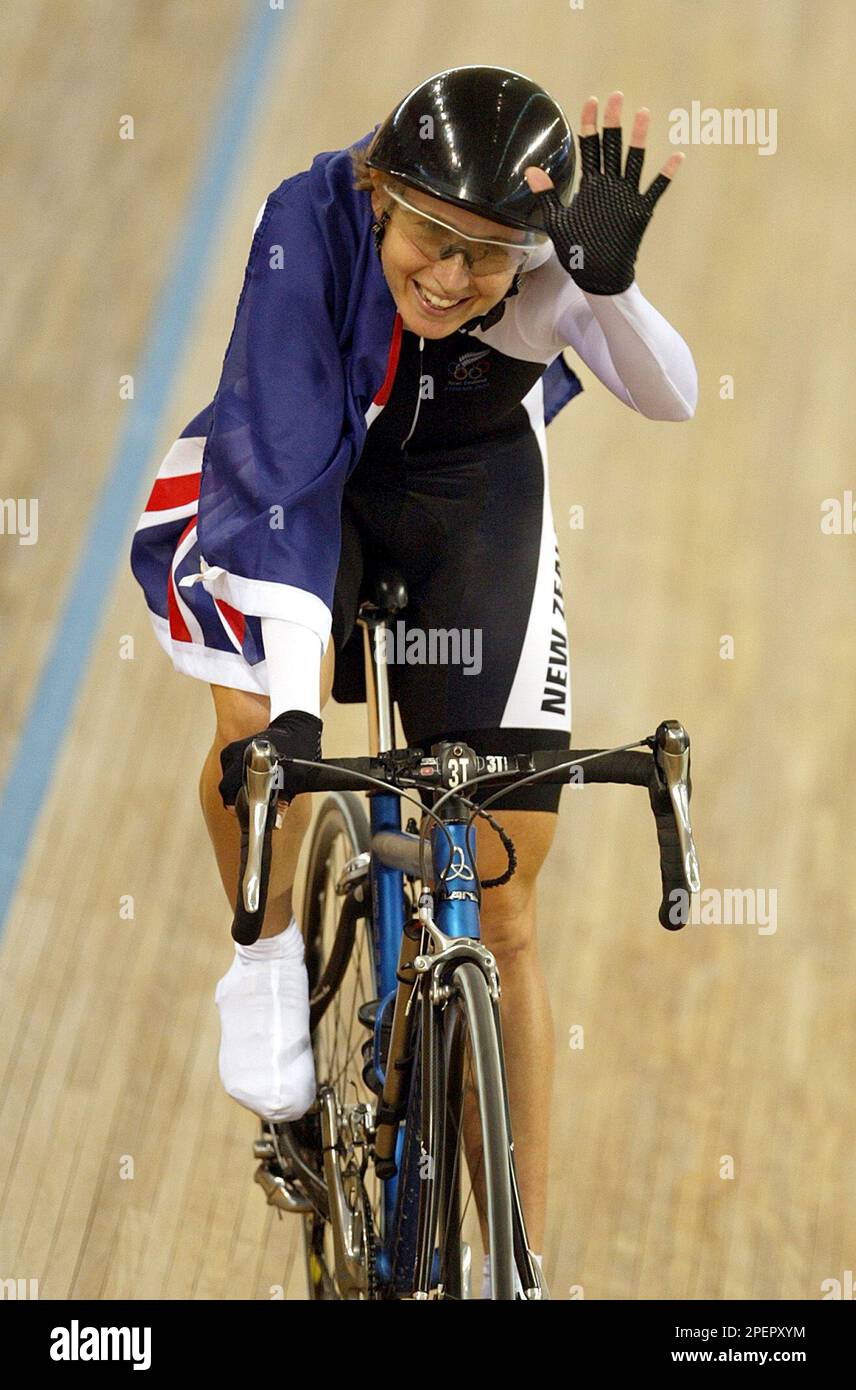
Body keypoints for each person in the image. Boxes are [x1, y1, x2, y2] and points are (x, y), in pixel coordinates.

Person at [130, 66, 696, 1296]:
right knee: (250, 739)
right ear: (382, 194)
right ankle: (268, 962)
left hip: (466, 508)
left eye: (489, 257)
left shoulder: (543, 275)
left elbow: (672, 397)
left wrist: (615, 290)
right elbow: (274, 500)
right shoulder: (308, 226)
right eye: (432, 238)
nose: (451, 277)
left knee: (504, 908)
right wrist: (284, 732)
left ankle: (517, 1271)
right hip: (300, 484)